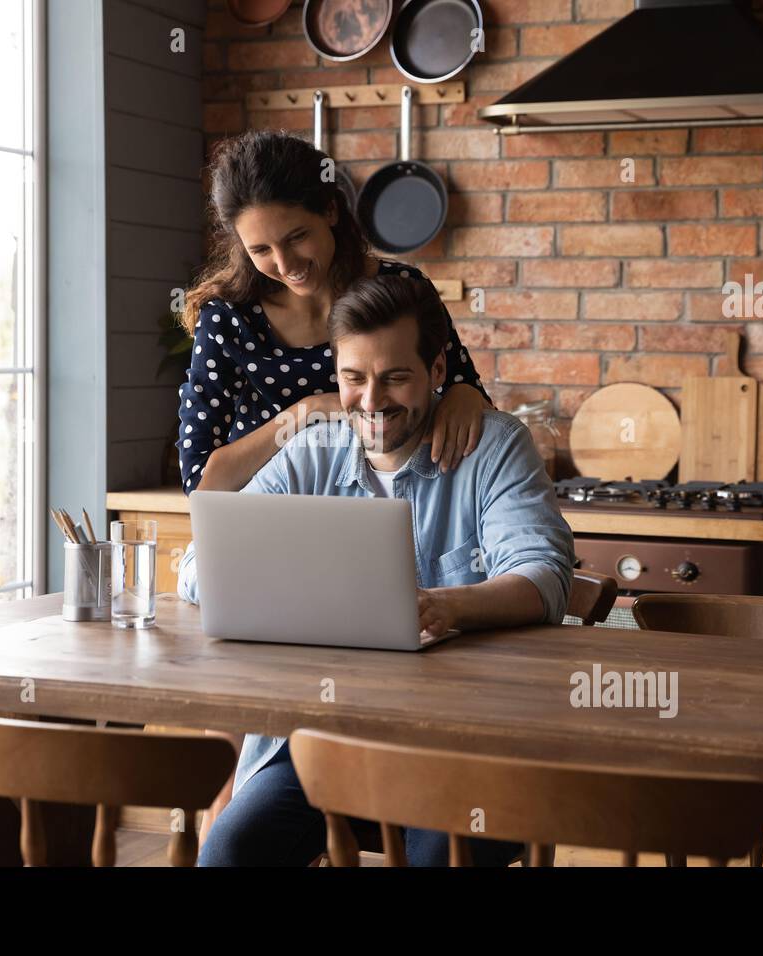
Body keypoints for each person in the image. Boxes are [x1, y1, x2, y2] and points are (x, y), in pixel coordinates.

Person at [177, 275, 576, 867]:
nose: (371, 401)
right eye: (354, 379)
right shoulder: (312, 451)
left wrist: (448, 606)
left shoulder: (495, 448)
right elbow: (195, 567)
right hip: (321, 738)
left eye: (395, 377)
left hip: (467, 744)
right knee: (229, 853)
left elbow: (544, 575)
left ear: (438, 370)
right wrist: (298, 593)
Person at [177, 129, 493, 495]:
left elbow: (464, 391)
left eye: (297, 237)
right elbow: (201, 482)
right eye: (261, 249)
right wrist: (307, 412)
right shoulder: (229, 317)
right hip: (265, 523)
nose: (285, 264)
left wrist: (467, 395)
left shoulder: (400, 289)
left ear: (330, 210)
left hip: (401, 504)